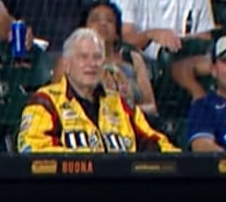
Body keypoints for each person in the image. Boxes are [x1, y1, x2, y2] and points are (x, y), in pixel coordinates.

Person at [16, 28, 177, 153]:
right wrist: (87, 165)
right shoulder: (45, 102)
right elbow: (32, 146)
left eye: (97, 57)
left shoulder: (119, 104)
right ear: (66, 64)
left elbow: (155, 142)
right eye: (83, 57)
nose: (91, 63)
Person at [82, 1, 158, 115]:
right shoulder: (72, 62)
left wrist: (126, 110)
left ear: (117, 33)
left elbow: (151, 107)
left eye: (109, 20)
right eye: (95, 20)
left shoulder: (133, 59)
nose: (103, 24)